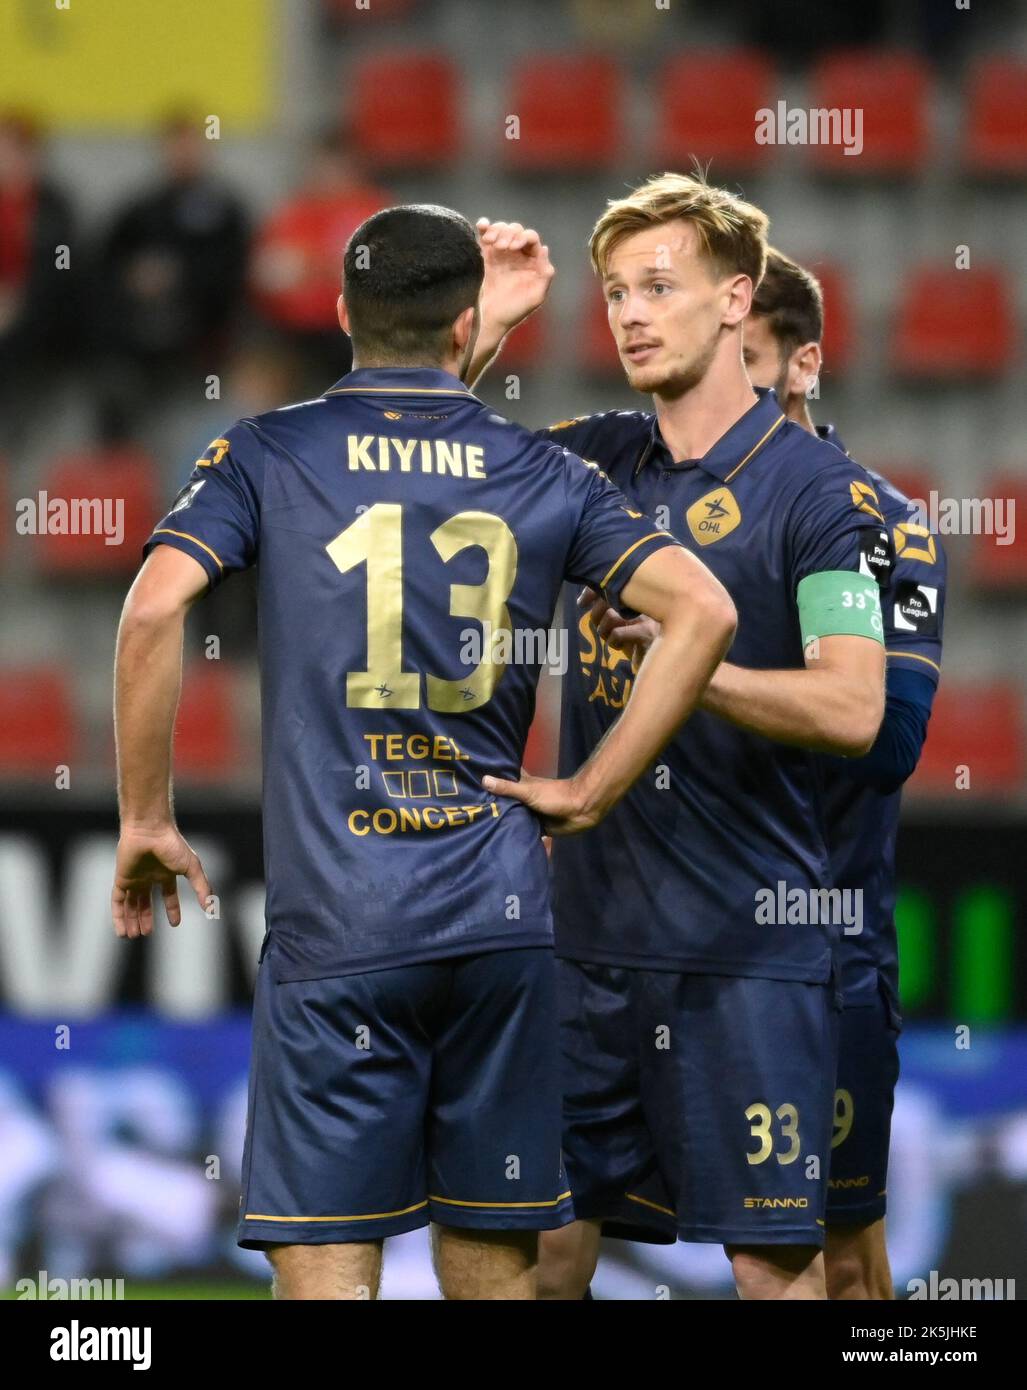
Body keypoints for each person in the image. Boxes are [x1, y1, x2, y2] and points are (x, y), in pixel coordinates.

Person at [110, 203, 736, 1300]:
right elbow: (703, 613)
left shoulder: (270, 449)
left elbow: (155, 611)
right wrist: (590, 787)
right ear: (462, 328)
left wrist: (146, 817)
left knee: (328, 1279)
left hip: (341, 927)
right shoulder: (543, 473)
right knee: (493, 1274)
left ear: (342, 312)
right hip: (497, 926)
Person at [471, 173, 889, 1299]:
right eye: (614, 293)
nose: (632, 314)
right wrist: (494, 327)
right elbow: (417, 463)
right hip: (583, 948)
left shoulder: (817, 492)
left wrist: (687, 667)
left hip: (743, 957)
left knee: (774, 1272)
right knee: (539, 1255)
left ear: (735, 301)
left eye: (660, 285)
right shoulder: (591, 458)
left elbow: (853, 706)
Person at [744, 249, 946, 1297]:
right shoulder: (657, 511)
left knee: (841, 1261)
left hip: (821, 946)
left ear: (802, 363)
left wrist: (712, 674)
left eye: (744, 360)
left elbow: (888, 742)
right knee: (554, 1248)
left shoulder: (890, 527)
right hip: (644, 941)